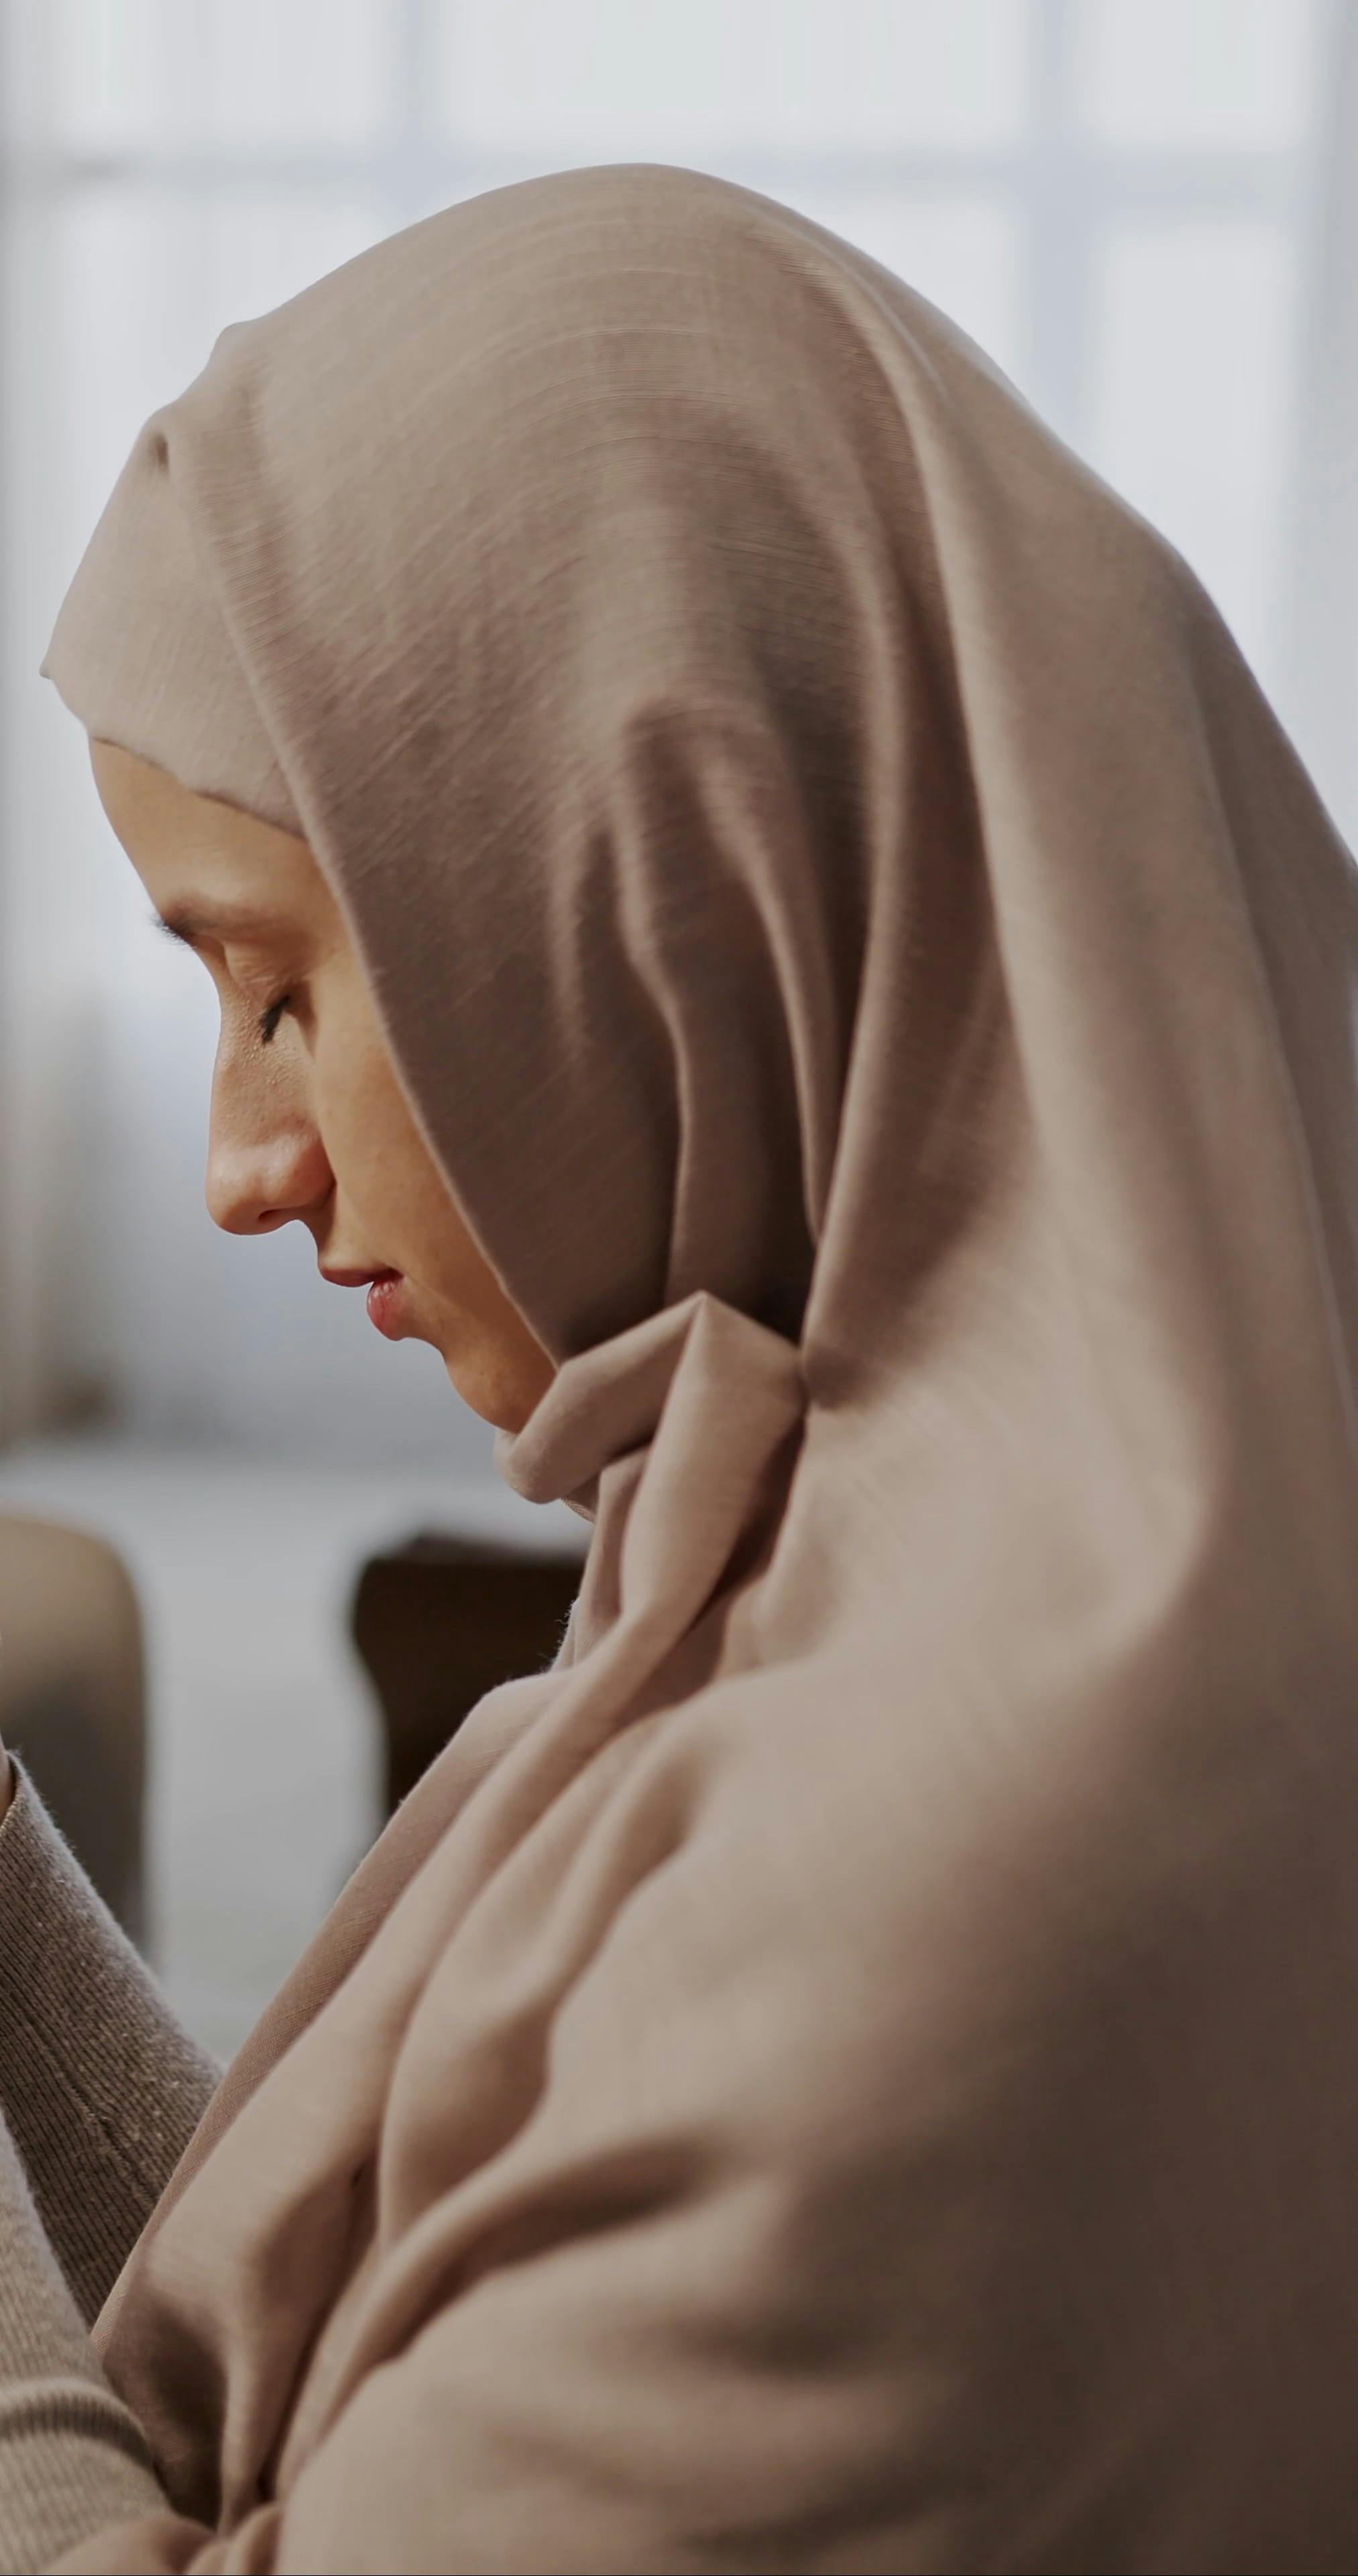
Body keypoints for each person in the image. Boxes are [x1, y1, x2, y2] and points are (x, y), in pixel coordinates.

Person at [3, 159, 1358, 2573]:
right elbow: (406, 2401)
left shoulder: (940, 1905)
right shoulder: (888, 1551)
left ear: (653, 871)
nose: (236, 1164)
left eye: (285, 989)